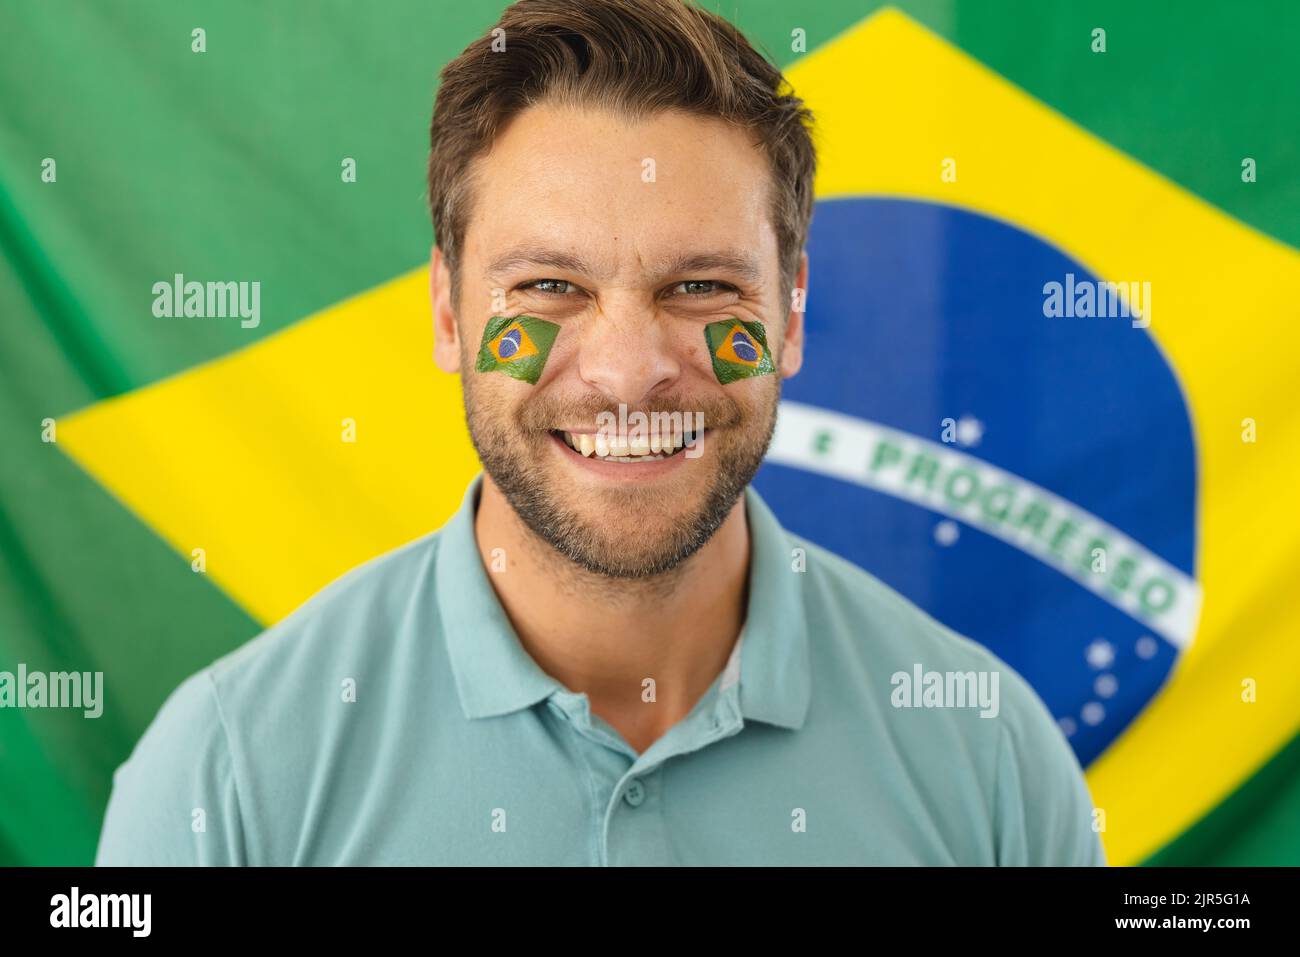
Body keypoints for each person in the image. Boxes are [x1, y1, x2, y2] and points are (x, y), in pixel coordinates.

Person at [96, 0, 1105, 866]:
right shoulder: (225, 776)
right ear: (449, 316)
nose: (628, 369)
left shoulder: (990, 758)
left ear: (790, 316)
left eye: (702, 287)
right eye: (548, 287)